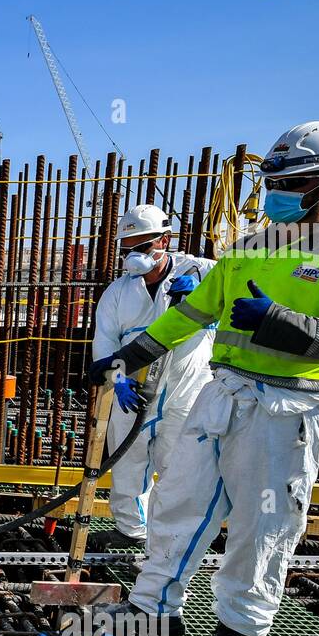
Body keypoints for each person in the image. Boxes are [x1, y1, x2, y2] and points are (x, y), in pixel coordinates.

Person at [88, 122, 319, 636]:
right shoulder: (249, 248)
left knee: (264, 521)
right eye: (270, 179)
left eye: (288, 181)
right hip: (225, 391)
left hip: (291, 407)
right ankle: (152, 608)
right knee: (178, 503)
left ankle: (237, 630)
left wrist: (280, 323)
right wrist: (123, 360)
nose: (274, 191)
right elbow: (191, 314)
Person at [90, 205, 215, 550]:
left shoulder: (201, 271)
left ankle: (170, 541)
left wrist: (204, 299)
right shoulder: (117, 292)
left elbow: (238, 297)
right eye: (127, 247)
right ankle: (131, 531)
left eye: (142, 246)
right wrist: (117, 379)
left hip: (184, 391)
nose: (134, 256)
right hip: (132, 390)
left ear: (165, 240)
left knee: (180, 468)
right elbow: (105, 340)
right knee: (127, 463)